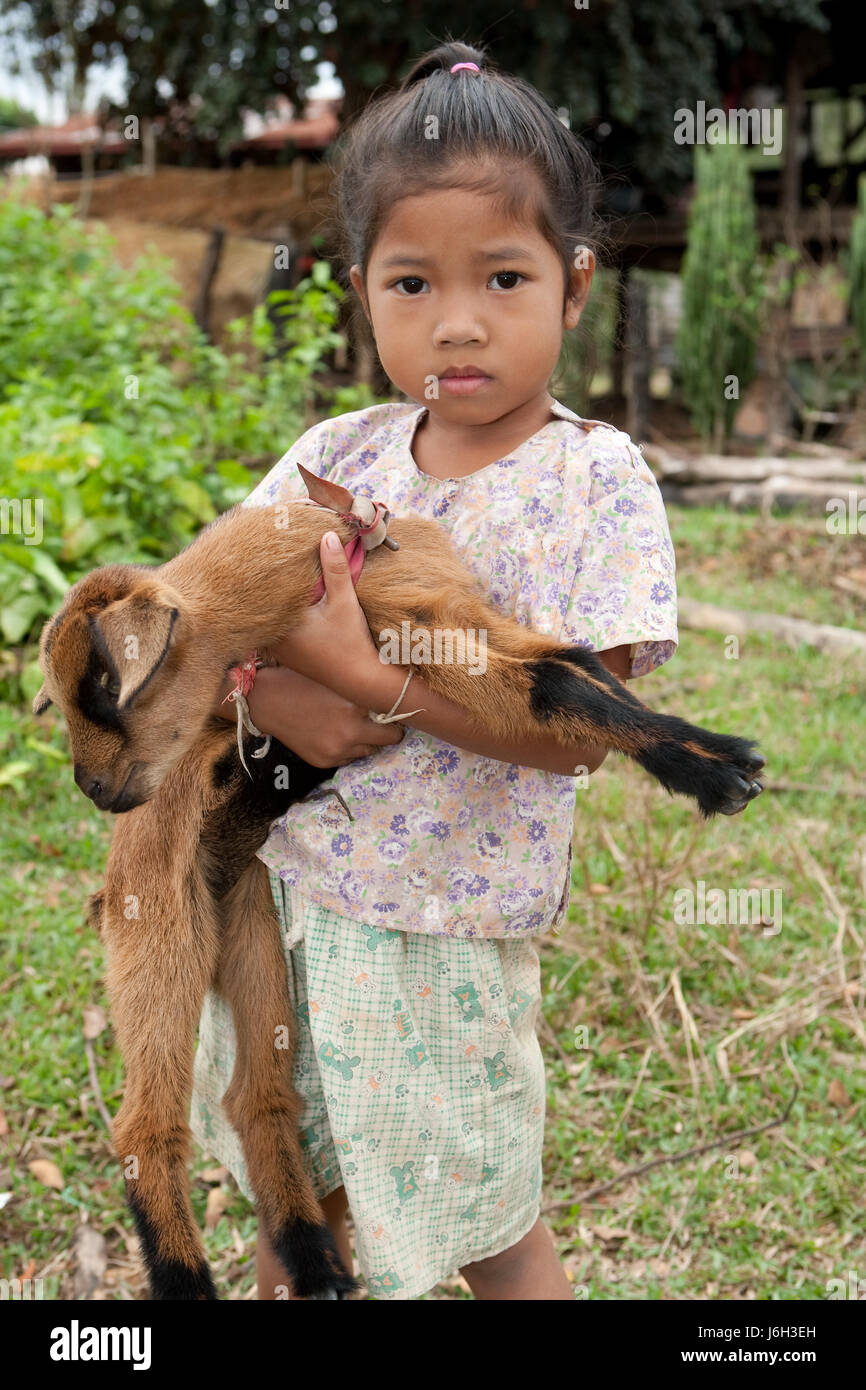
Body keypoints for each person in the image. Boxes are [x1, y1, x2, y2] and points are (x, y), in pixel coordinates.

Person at [190, 38, 678, 1301]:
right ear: (361, 286)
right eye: (410, 282)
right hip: (286, 903)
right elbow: (225, 608)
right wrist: (271, 690)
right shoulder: (336, 450)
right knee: (296, 1195)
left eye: (501, 277)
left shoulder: (591, 479)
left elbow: (586, 729)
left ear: (572, 287)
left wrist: (373, 684)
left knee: (480, 1222)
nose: (453, 322)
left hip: (440, 932)